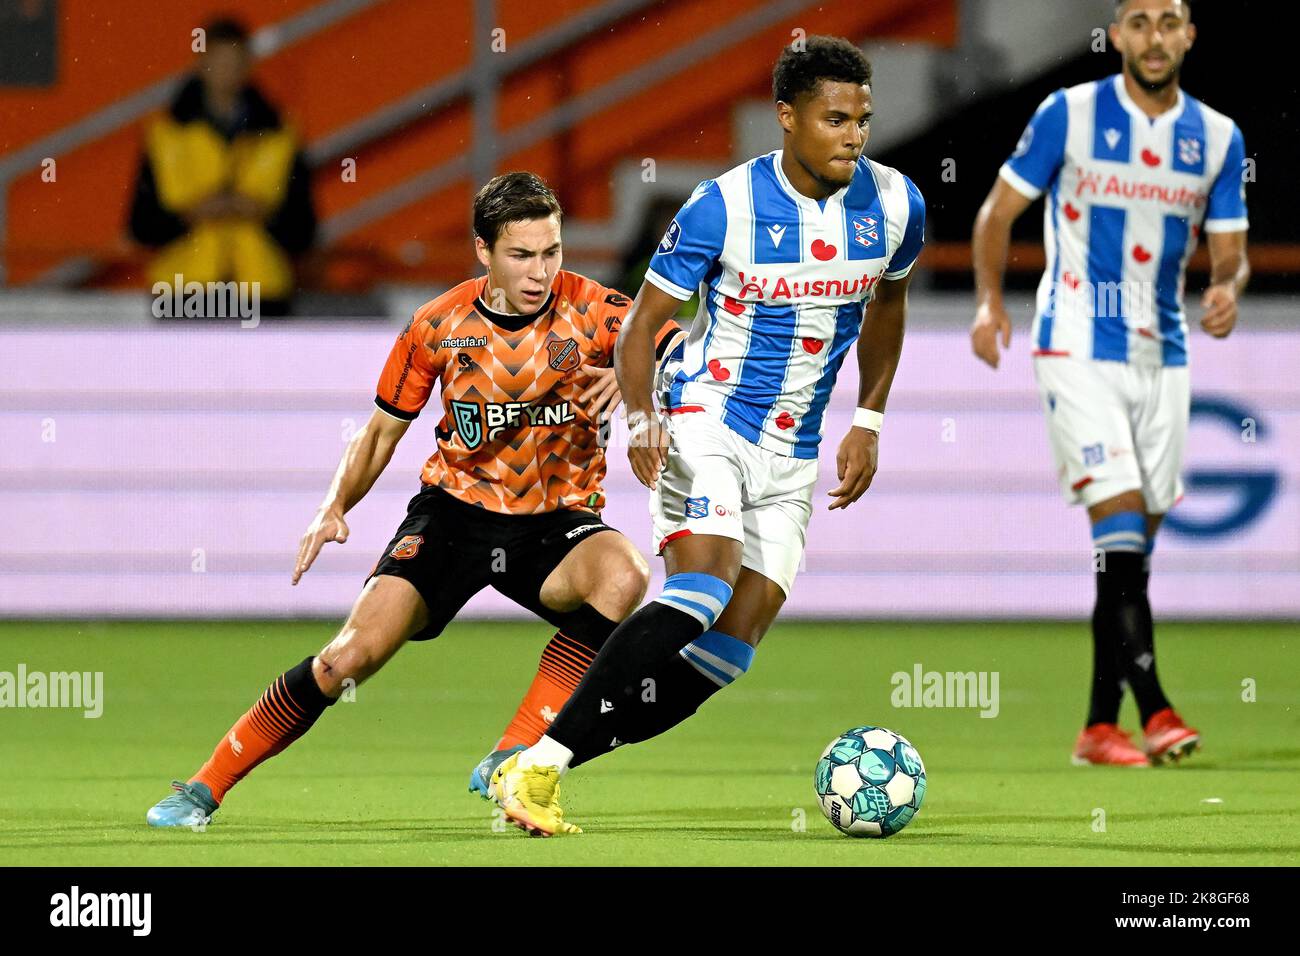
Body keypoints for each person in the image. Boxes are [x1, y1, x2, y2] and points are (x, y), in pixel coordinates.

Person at [146, 171, 682, 827]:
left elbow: (686, 348)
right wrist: (333, 507)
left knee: (623, 571)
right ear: (483, 251)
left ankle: (514, 752)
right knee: (347, 659)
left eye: (552, 252)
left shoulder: (601, 313)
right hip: (452, 518)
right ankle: (204, 787)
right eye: (522, 254)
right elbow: (379, 434)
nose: (541, 271)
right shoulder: (438, 324)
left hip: (554, 525)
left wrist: (638, 388)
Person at [491, 35, 926, 835]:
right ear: (787, 118)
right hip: (708, 422)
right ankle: (543, 768)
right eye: (836, 120)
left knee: (726, 653)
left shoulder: (897, 205)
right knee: (700, 591)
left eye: (863, 120)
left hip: (793, 456)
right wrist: (645, 415)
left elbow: (888, 307)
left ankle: (539, 759)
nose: (855, 137)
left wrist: (868, 418)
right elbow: (642, 325)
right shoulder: (722, 206)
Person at [969, 0, 1249, 766]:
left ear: (1190, 34)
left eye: (1169, 22)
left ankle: (1098, 727)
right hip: (1076, 347)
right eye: (1139, 21)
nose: (1154, 37)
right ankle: (1156, 709)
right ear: (1117, 33)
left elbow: (1231, 252)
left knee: (1125, 557)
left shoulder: (1219, 138)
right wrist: (990, 305)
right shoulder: (1070, 114)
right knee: (1119, 531)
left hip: (1164, 358)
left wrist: (1227, 287)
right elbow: (996, 216)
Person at [128, 17, 316, 316]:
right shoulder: (165, 133)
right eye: (219, 61)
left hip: (262, 289)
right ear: (201, 64)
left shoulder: (281, 132)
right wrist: (192, 214)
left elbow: (304, 228)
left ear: (249, 64)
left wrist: (261, 214)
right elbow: (141, 225)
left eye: (235, 61)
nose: (227, 71)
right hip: (183, 289)